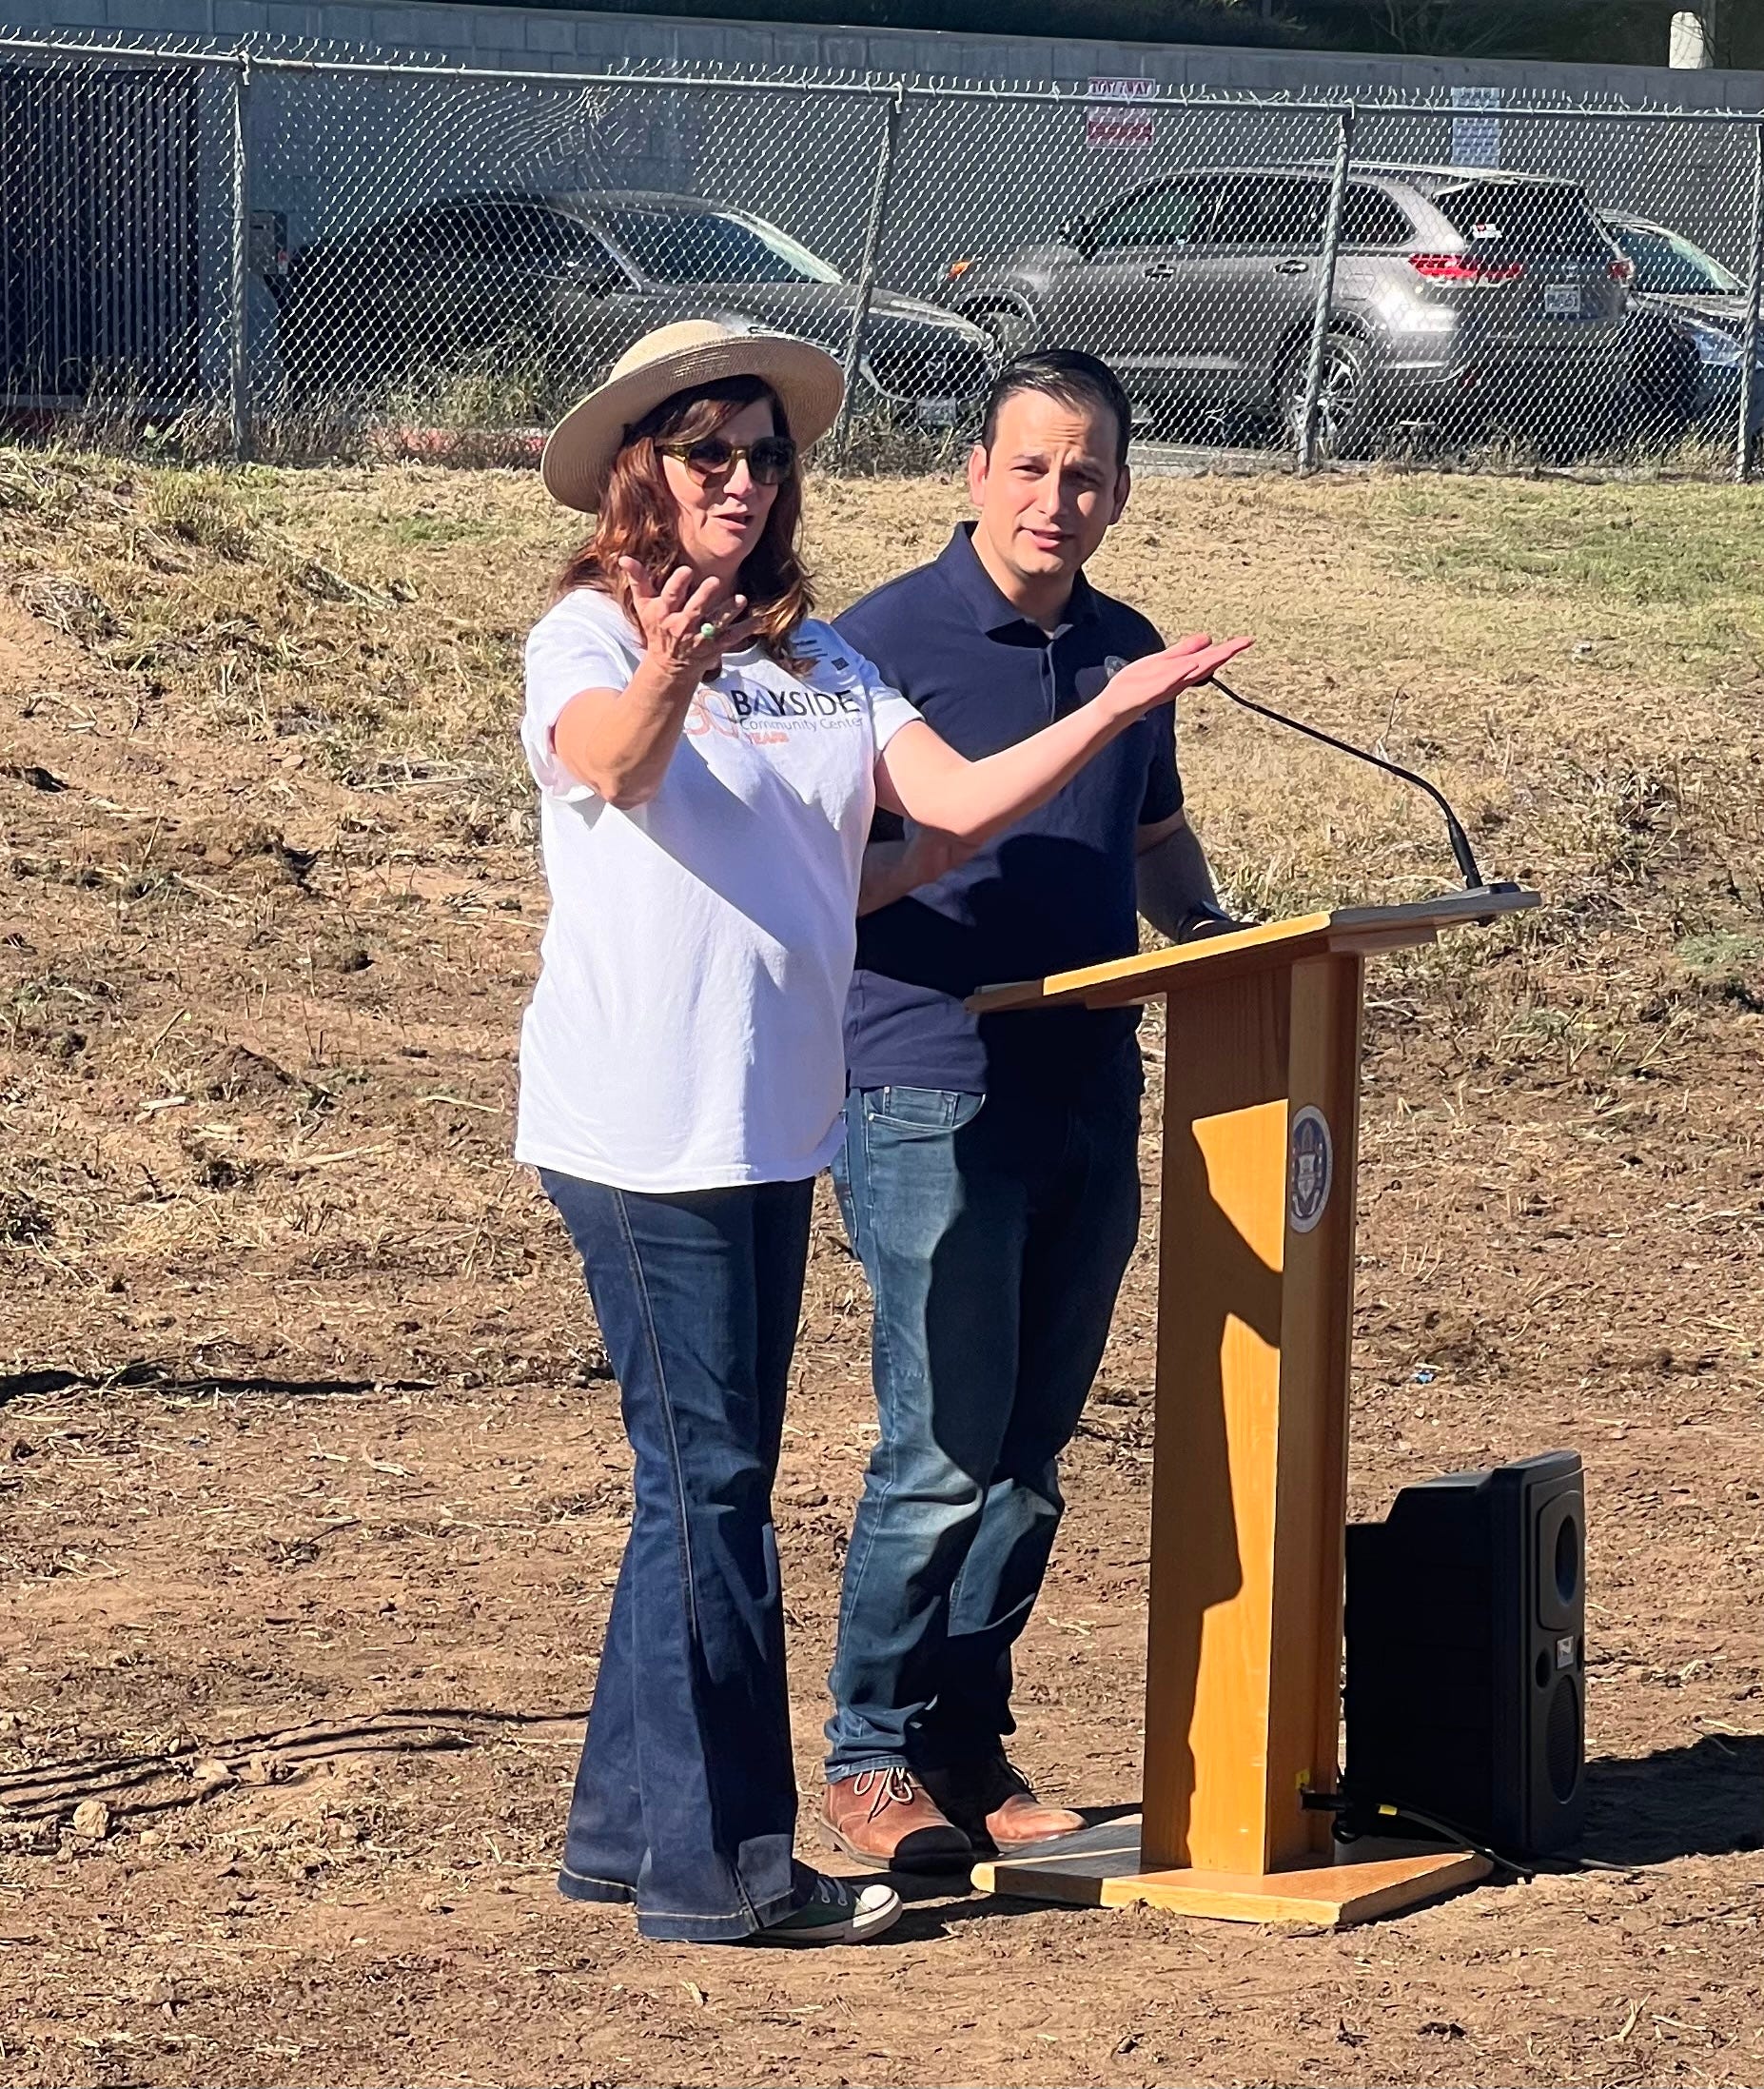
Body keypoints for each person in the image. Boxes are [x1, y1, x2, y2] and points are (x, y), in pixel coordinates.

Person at [517, 321, 1250, 1944]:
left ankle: (619, 1832)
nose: (742, 478)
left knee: (702, 1485)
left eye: (766, 456)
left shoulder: (819, 658)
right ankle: (729, 1876)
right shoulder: (584, 633)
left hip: (773, 1114)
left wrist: (1123, 696)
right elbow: (615, 771)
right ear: (646, 470)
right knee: (712, 1490)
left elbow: (958, 807)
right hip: (643, 1121)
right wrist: (667, 664)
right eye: (709, 452)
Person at [822, 349, 1239, 1873]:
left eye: (1087, 475)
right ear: (972, 473)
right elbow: (840, 870)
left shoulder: (1131, 654)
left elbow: (1155, 835)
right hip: (930, 1082)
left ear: (1120, 492)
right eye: (1031, 467)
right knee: (936, 1448)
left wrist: (1213, 940)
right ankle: (864, 1755)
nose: (1056, 498)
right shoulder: (874, 646)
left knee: (1030, 1457)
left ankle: (960, 1740)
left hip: (1088, 1083)